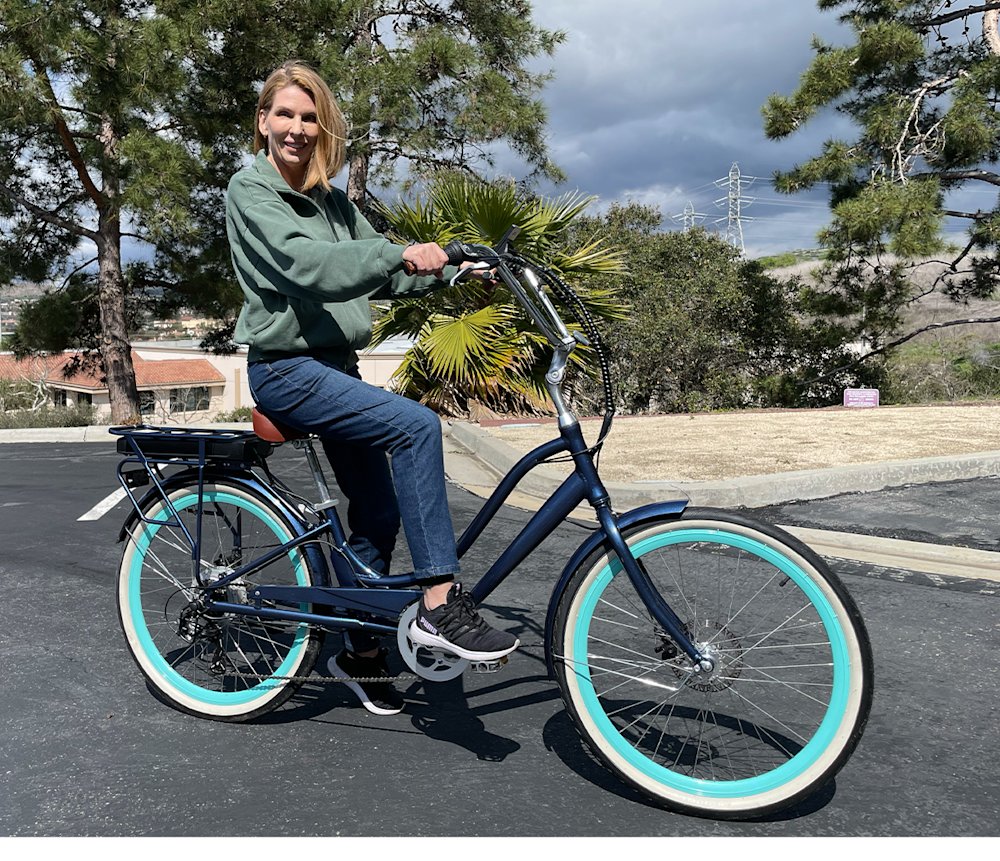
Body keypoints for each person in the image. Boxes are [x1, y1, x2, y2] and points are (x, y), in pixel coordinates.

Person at [225, 61, 519, 716]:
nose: (297, 128)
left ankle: (359, 649)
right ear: (263, 121)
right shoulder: (250, 189)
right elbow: (307, 264)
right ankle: (439, 601)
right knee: (416, 425)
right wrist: (399, 252)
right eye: (285, 114)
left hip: (336, 368)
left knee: (379, 513)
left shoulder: (333, 201)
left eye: (310, 117)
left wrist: (452, 271)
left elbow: (383, 272)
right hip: (287, 369)